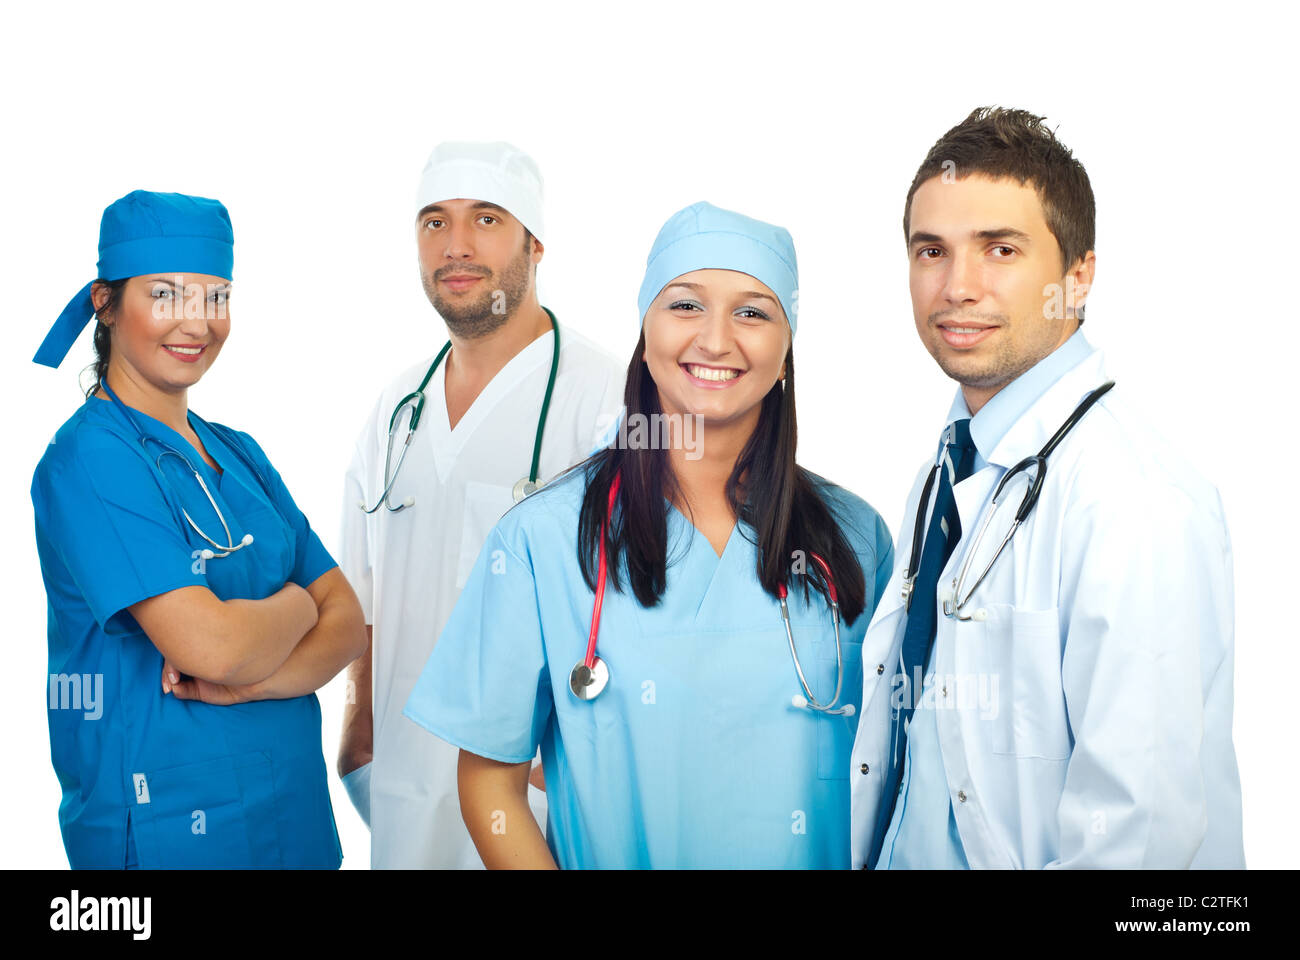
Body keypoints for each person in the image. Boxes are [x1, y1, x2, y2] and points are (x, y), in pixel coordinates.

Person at [402, 201, 894, 869]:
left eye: (753, 311)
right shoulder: (540, 541)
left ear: (786, 351)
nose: (716, 340)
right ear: (645, 331)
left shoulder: (857, 537)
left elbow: (892, 761)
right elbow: (491, 781)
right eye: (685, 305)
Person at [849, 107, 1245, 869]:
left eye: (1000, 249)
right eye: (932, 250)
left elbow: (1140, 838)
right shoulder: (955, 468)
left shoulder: (1132, 499)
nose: (958, 287)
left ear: (1079, 274)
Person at [31, 190, 367, 869]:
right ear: (104, 301)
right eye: (165, 294)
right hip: (166, 829)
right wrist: (300, 605)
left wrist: (257, 676)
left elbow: (349, 627)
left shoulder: (239, 454)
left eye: (216, 296)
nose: (197, 321)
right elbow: (211, 648)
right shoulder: (90, 461)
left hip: (291, 820)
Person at [337, 141, 624, 868]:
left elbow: (636, 609)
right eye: (434, 222)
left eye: (486, 220)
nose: (456, 247)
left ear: (534, 243)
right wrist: (358, 723)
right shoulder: (396, 408)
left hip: (535, 797)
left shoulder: (604, 400)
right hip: (401, 787)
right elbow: (361, 587)